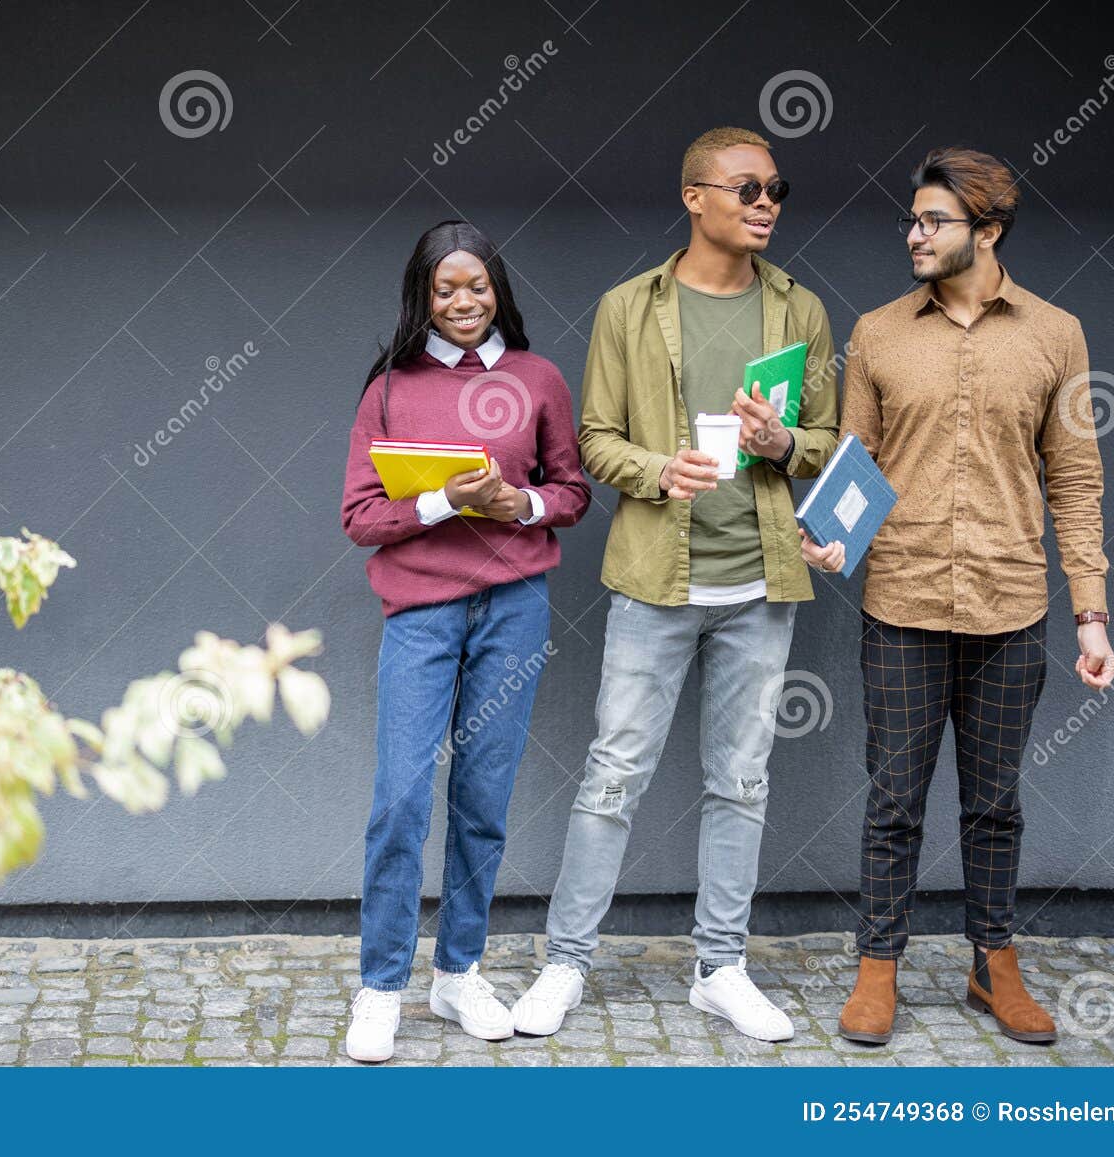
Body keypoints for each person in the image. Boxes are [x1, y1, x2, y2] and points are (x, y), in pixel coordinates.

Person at [512, 127, 838, 1042]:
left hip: (760, 584)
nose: (766, 202)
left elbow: (827, 441)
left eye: (777, 188)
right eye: (746, 187)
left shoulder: (800, 310)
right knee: (614, 773)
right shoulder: (629, 306)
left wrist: (784, 445)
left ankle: (720, 966)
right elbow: (594, 440)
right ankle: (565, 964)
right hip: (656, 581)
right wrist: (660, 471)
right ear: (694, 196)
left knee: (742, 780)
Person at [810, 147, 1114, 1046]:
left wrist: (1091, 615)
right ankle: (879, 969)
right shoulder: (875, 332)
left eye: (932, 220)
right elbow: (853, 463)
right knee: (893, 800)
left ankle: (994, 965)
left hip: (1010, 607)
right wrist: (834, 536)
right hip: (899, 602)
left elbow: (1077, 481)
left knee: (994, 803)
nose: (913, 232)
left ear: (985, 231)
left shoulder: (1056, 335)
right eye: (911, 218)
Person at [339, 219, 590, 1062]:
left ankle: (458, 971)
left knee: (484, 799)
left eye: (476, 285)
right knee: (402, 798)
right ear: (422, 295)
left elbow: (573, 490)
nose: (462, 301)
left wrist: (522, 505)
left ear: (498, 290)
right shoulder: (388, 388)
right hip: (421, 613)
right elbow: (360, 518)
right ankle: (380, 986)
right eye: (445, 288)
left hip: (514, 608)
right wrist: (450, 499)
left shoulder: (538, 377)